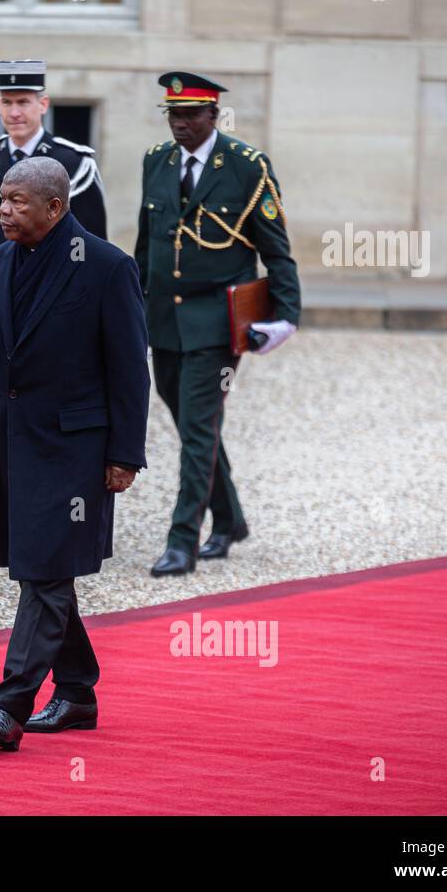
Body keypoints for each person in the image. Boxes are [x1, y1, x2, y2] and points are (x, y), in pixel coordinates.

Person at [0, 156, 149, 751]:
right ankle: (79, 690)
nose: (3, 210)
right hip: (8, 446)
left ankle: (8, 706)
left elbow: (130, 371)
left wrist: (124, 454)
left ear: (55, 208)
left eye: (17, 201)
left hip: (74, 451)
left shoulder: (108, 268)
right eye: (2, 199)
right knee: (43, 571)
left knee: (46, 574)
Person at [133, 72, 302, 576]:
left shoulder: (248, 168)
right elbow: (147, 245)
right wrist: (131, 310)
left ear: (214, 115)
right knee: (192, 424)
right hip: (163, 317)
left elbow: (277, 251)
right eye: (173, 116)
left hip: (215, 321)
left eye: (189, 116)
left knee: (200, 425)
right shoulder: (155, 161)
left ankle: (182, 541)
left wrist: (286, 317)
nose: (180, 125)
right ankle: (229, 519)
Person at [0, 59, 107, 320]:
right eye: (7, 102)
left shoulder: (74, 163)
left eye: (23, 102)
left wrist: (90, 308)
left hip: (54, 301)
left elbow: (90, 245)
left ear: (43, 104)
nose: (14, 113)